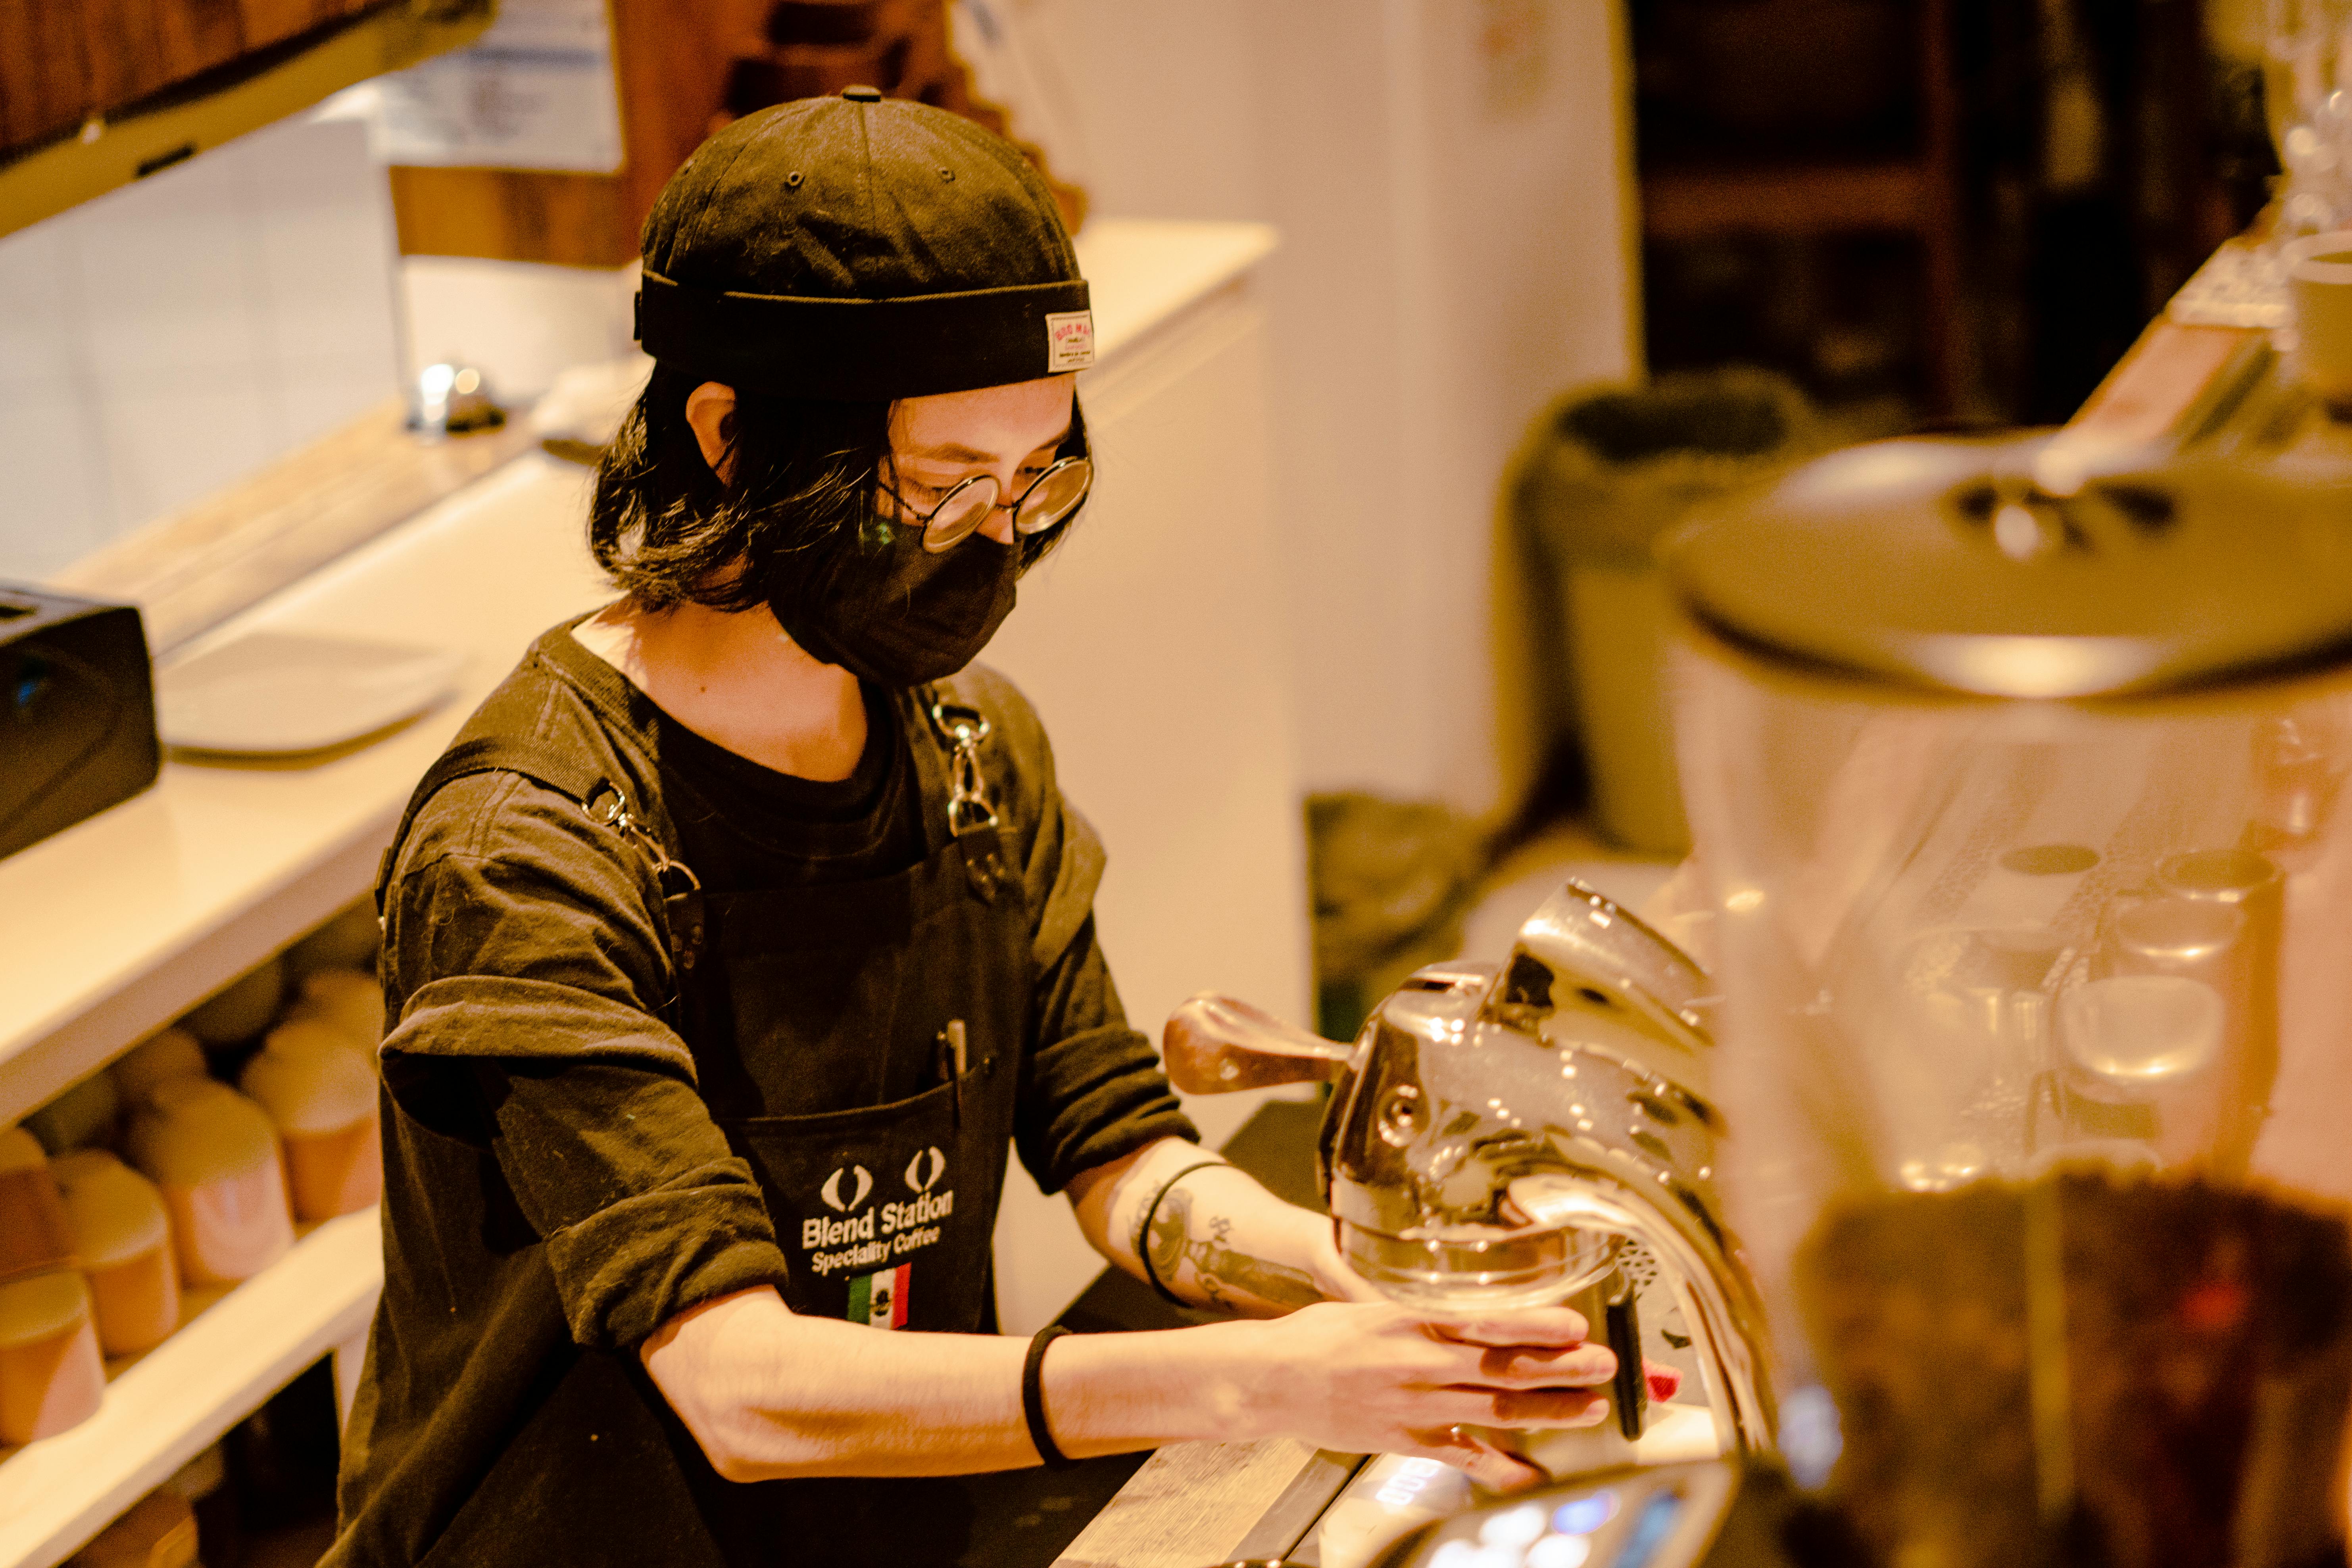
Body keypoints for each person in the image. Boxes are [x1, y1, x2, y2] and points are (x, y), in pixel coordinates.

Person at [327, 90, 1617, 1567]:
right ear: (731, 435)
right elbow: (743, 1390)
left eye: (1036, 482)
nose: (996, 543)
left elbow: (1115, 1146)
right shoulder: (530, 849)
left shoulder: (967, 752)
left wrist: (1356, 1283)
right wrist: (1256, 1379)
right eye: (944, 492)